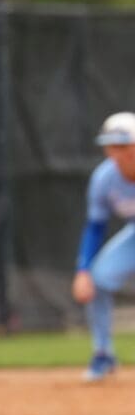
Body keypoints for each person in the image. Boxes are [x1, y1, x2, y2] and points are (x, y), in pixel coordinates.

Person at [71, 110, 135, 383]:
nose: (116, 152)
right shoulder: (104, 178)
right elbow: (95, 227)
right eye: (111, 146)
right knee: (96, 279)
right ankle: (103, 354)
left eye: (122, 145)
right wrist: (83, 269)